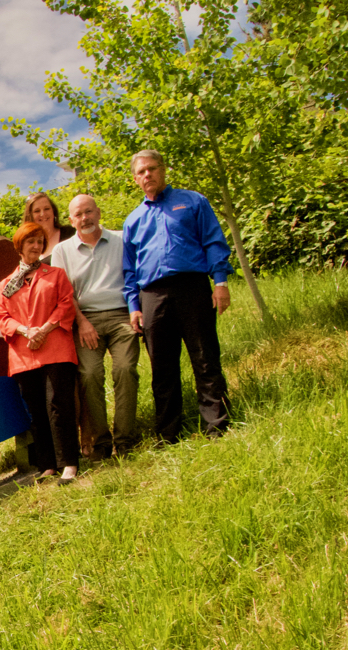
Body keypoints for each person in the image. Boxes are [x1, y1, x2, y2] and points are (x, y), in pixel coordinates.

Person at [122, 150, 233, 442]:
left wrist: (220, 282)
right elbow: (129, 269)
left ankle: (216, 426)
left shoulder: (193, 201)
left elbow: (213, 241)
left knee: (205, 357)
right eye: (141, 171)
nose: (148, 174)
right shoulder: (133, 220)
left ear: (163, 169)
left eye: (152, 168)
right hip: (152, 295)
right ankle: (168, 434)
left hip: (192, 287)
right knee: (162, 368)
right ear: (135, 179)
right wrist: (133, 306)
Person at [50, 194, 141, 459]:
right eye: (78, 215)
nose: (85, 218)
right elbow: (64, 293)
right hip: (85, 320)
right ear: (71, 221)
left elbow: (135, 277)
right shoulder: (62, 251)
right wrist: (82, 322)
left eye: (88, 212)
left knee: (125, 370)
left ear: (98, 213)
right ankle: (101, 442)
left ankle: (125, 440)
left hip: (122, 316)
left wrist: (135, 310)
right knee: (89, 375)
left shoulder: (121, 240)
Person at [0, 222, 80, 485]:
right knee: (36, 411)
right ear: (19, 246)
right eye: (30, 241)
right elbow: (2, 317)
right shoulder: (7, 284)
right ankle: (48, 465)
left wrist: (43, 330)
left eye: (40, 241)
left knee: (58, 406)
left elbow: (66, 304)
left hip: (56, 349)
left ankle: (69, 463)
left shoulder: (55, 274)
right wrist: (25, 331)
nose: (36, 246)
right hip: (23, 355)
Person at [24, 191, 76, 264]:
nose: (42, 214)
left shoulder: (71, 233)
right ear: (30, 217)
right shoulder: (27, 246)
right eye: (37, 211)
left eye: (46, 209)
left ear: (53, 211)